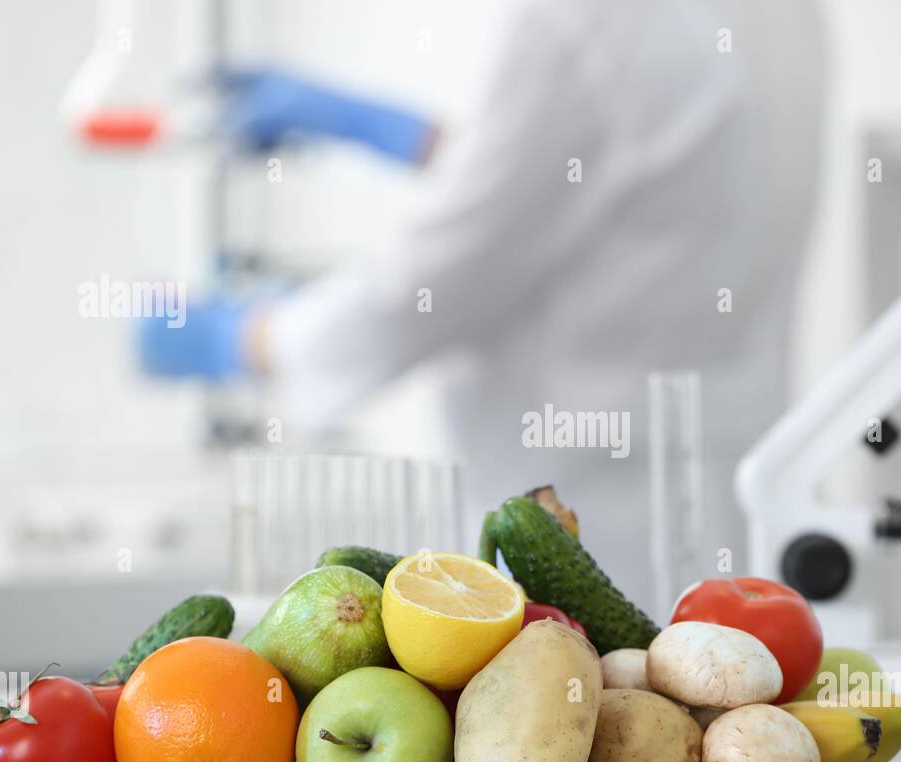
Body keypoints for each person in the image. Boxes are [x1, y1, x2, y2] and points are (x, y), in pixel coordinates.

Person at [140, 0, 825, 611]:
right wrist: (400, 135)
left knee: (606, 728)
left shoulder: (581, 19)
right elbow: (596, 174)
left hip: (586, 517)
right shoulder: (791, 11)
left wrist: (244, 337)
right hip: (730, 499)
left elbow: (427, 289)